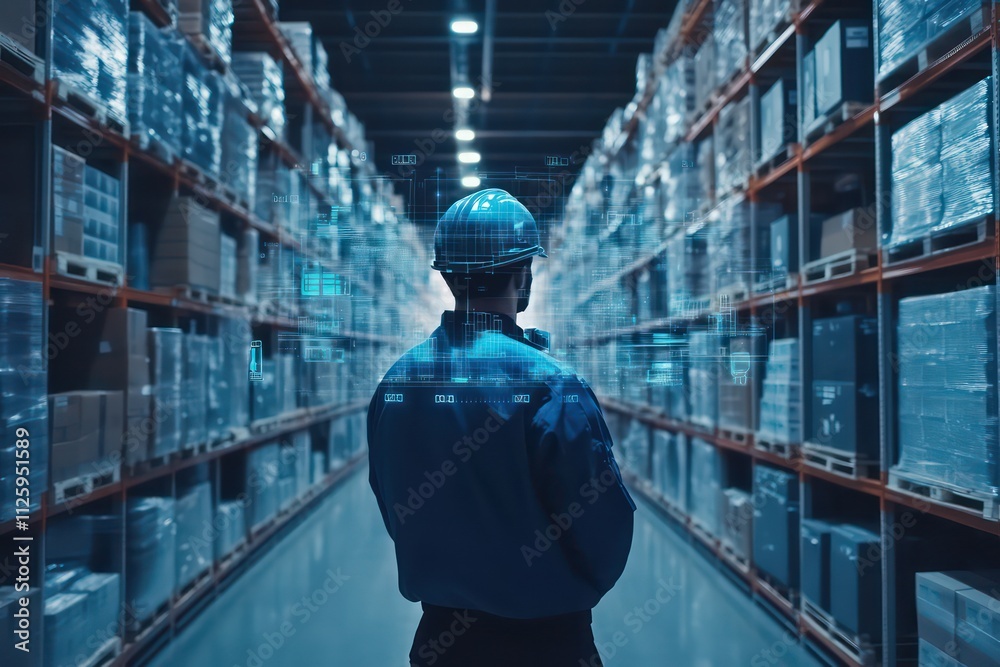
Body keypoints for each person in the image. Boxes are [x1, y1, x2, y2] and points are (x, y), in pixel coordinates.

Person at [367, 188, 635, 667]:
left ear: (448, 276)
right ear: (524, 275)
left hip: (439, 639)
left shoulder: (396, 383)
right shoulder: (551, 387)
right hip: (546, 642)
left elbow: (393, 502)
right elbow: (602, 522)